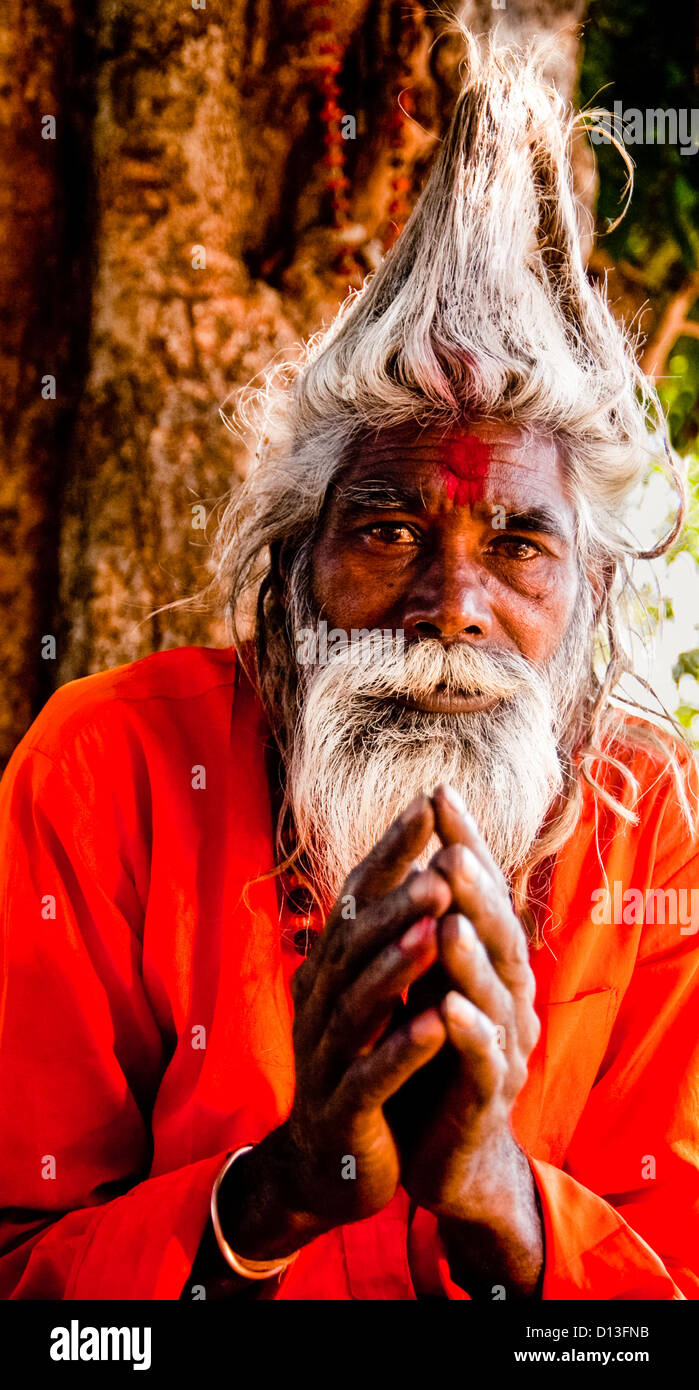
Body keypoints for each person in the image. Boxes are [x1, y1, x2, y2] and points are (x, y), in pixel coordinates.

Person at [0, 32, 697, 1301]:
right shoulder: (104, 770)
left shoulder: (661, 832)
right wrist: (275, 1192)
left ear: (592, 597)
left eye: (520, 543)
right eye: (388, 531)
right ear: (293, 567)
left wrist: (500, 1200)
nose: (450, 609)